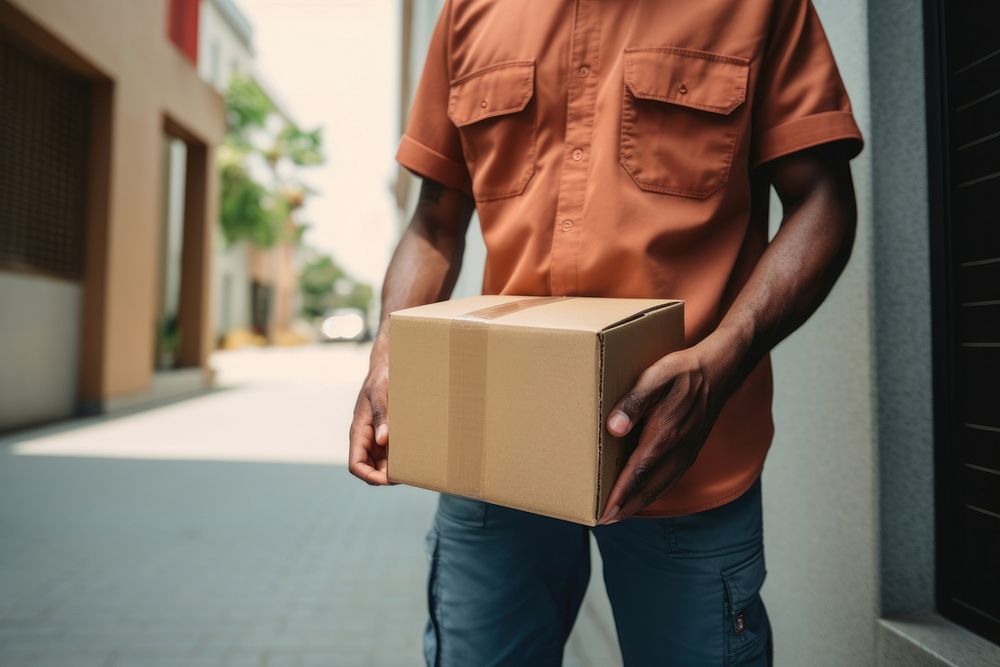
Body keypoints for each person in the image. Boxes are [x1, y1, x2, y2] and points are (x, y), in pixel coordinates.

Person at [349, 0, 863, 664]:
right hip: (493, 449)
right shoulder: (468, 11)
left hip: (683, 452)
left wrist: (723, 358)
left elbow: (823, 198)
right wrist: (388, 351)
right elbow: (434, 221)